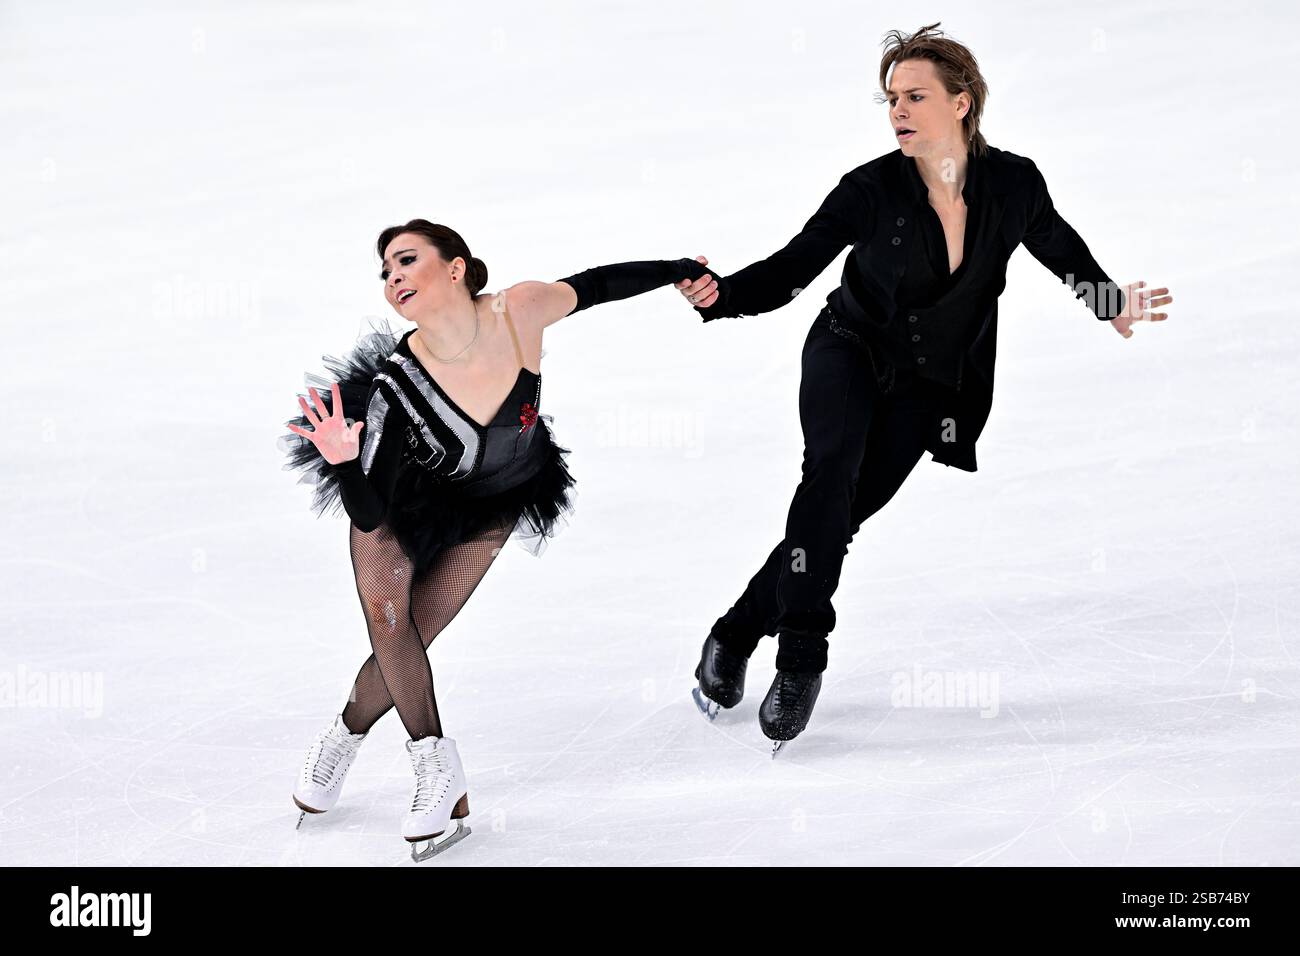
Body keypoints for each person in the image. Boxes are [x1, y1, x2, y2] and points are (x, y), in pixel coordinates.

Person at [676, 23, 1173, 756]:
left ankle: (736, 630)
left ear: (961, 103)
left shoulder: (1015, 184)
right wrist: (721, 296)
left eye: (914, 96)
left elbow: (1058, 245)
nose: (898, 111)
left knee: (836, 523)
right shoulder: (870, 188)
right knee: (830, 474)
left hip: (930, 382)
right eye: (890, 99)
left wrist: (1108, 302)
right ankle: (800, 659)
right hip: (847, 349)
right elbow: (791, 269)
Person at [279, 218, 711, 856]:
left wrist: (678, 268)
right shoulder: (397, 387)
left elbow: (596, 285)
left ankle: (345, 733)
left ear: (455, 268)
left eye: (406, 261)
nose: (394, 278)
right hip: (396, 499)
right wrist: (344, 460)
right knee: (389, 614)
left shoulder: (520, 310)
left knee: (418, 629)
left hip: (496, 497)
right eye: (386, 272)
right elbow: (369, 513)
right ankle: (435, 763)